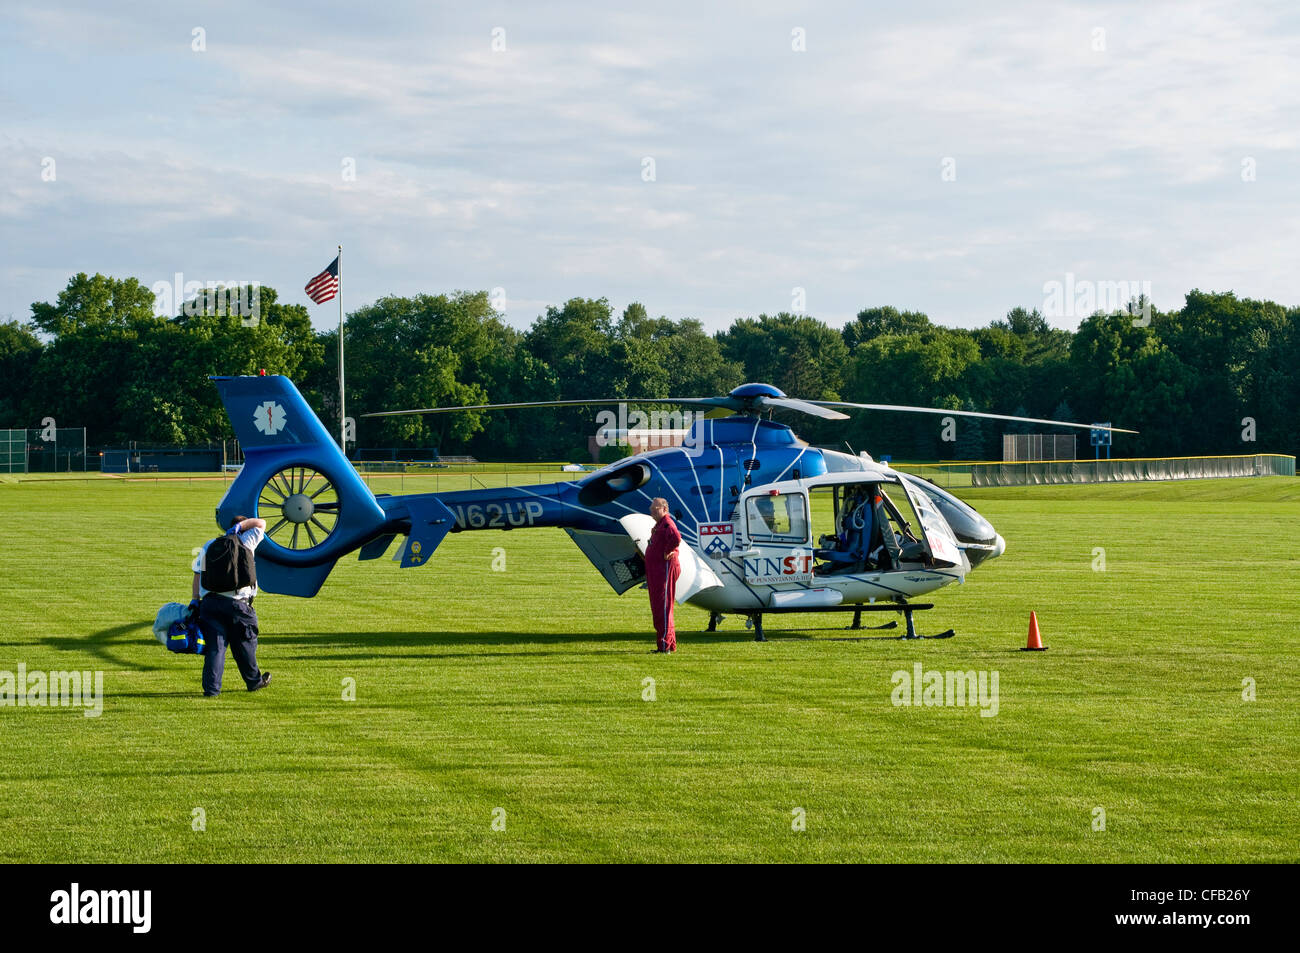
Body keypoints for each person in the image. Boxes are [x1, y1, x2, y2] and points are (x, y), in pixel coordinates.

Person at [192, 515, 272, 697]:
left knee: (215, 648)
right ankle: (254, 682)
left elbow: (197, 574)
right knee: (245, 645)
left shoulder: (210, 544)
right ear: (244, 528)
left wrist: (195, 600)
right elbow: (261, 523)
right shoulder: (247, 541)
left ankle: (211, 690)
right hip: (239, 606)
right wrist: (241, 527)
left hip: (210, 604)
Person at [645, 498, 681, 653]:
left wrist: (667, 551)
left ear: (664, 509)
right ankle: (669, 643)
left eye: (656, 508)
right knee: (660, 606)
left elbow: (676, 537)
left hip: (664, 569)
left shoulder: (667, 524)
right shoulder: (659, 524)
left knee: (663, 606)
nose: (652, 510)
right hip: (657, 570)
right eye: (651, 507)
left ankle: (664, 644)